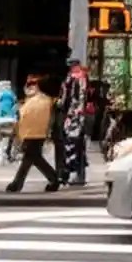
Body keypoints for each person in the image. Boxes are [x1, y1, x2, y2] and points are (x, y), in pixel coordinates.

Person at [7, 77, 60, 192]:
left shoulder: (33, 101)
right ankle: (53, 179)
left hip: (29, 133)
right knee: (33, 158)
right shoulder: (48, 101)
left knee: (31, 159)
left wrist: (16, 132)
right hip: (39, 133)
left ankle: (17, 184)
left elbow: (22, 116)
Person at [58, 58, 90, 187]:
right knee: (78, 146)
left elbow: (72, 99)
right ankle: (79, 174)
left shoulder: (74, 79)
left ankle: (74, 174)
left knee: (72, 144)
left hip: (74, 116)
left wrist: (70, 111)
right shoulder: (82, 77)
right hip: (78, 115)